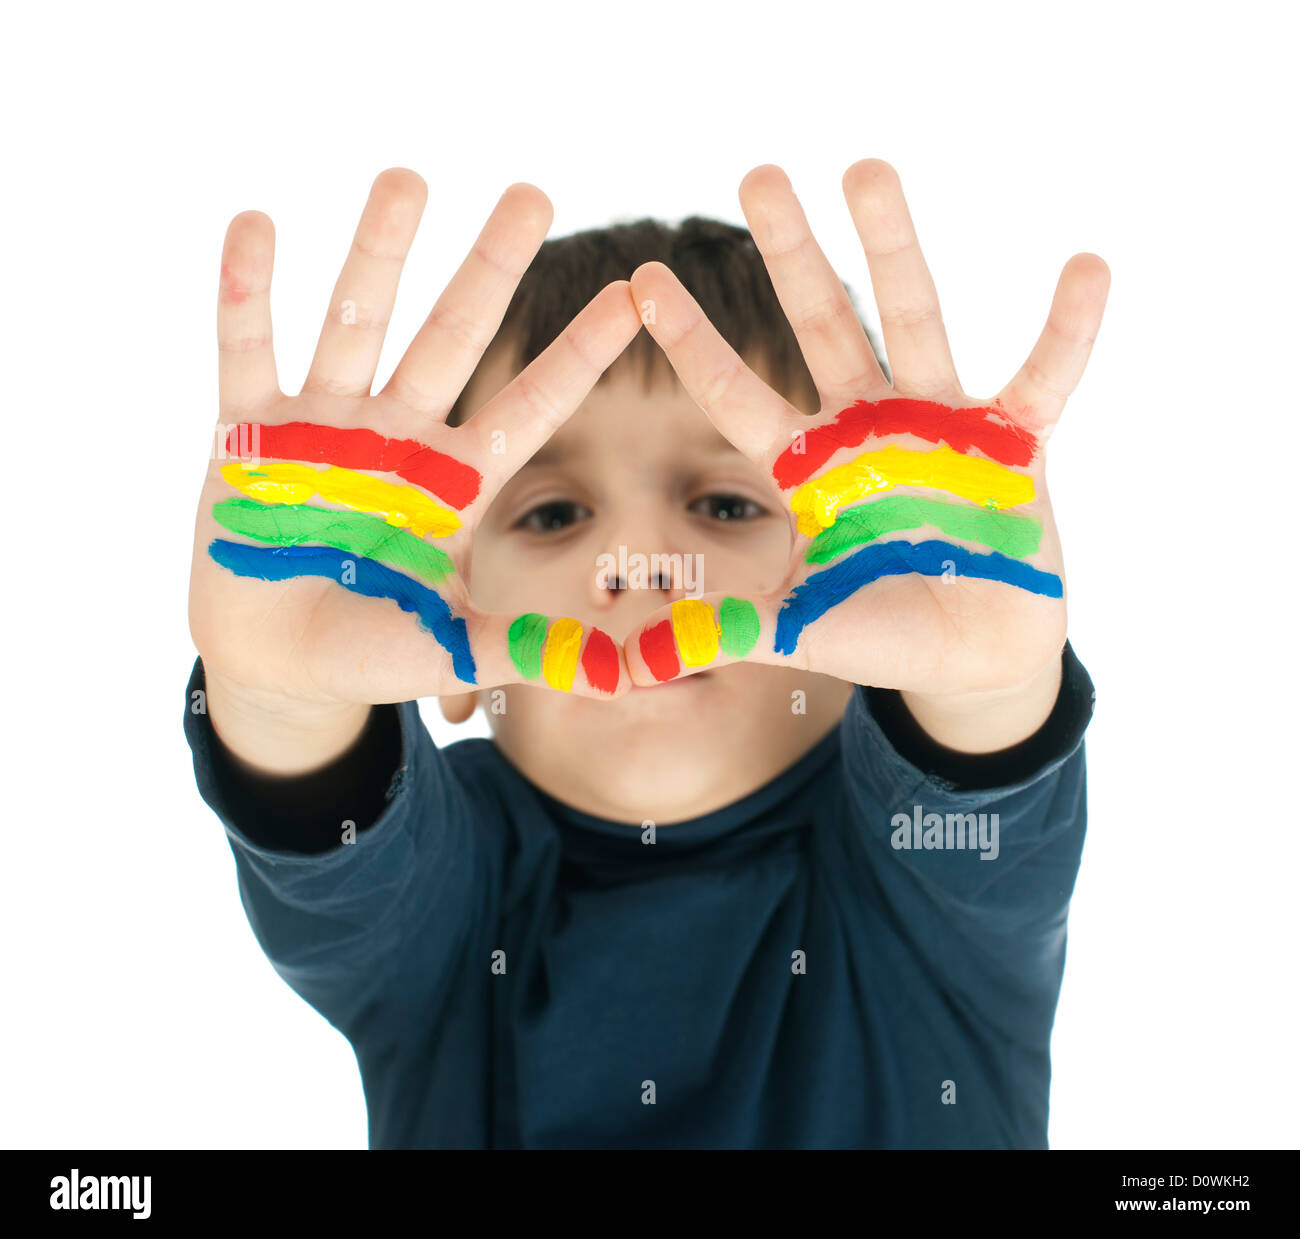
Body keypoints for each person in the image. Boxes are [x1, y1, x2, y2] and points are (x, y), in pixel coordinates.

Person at [184, 161, 1108, 1148]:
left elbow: (978, 768)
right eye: (551, 515)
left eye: (724, 504)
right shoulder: (448, 904)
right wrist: (277, 687)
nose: (638, 565)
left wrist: (988, 676)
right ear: (446, 624)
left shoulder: (925, 885)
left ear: (877, 600)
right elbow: (329, 824)